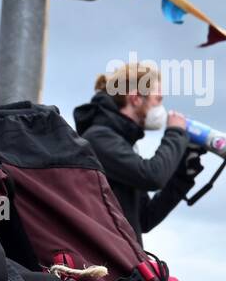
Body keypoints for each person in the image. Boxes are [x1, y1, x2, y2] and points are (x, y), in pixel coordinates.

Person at [74, 61, 202, 244]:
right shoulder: (99, 138)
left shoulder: (122, 142)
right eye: (158, 99)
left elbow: (144, 217)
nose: (161, 108)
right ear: (135, 98)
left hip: (122, 258)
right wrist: (175, 133)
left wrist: (183, 176)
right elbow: (152, 175)